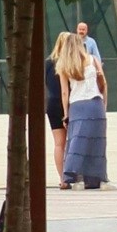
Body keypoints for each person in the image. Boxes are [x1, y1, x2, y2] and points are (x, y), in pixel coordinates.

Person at [56, 31, 108, 189]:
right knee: (97, 143)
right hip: (95, 103)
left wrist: (66, 113)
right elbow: (103, 84)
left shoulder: (63, 65)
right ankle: (96, 178)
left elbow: (65, 92)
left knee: (77, 141)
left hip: (77, 105)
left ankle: (73, 175)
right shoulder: (93, 60)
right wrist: (104, 105)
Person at [45, 43, 67, 175]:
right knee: (71, 142)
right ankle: (73, 174)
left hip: (52, 103)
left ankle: (62, 178)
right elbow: (65, 91)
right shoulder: (68, 63)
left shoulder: (48, 63)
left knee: (58, 143)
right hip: (66, 104)